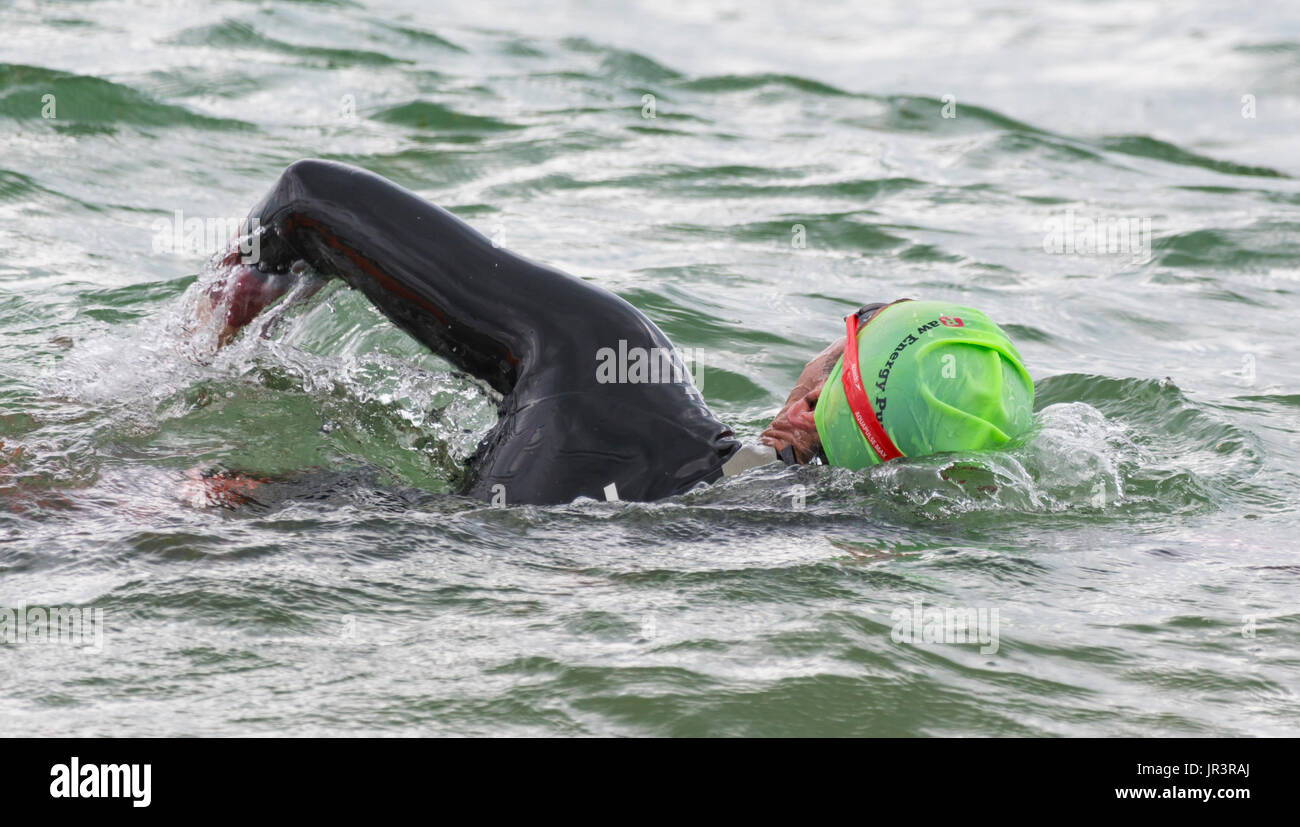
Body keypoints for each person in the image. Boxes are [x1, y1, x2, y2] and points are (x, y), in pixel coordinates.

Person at [198, 160, 1034, 506]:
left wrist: (201, 350)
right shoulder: (809, 544)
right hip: (409, 579)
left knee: (203, 489)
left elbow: (307, 200)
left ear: (825, 383)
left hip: (199, 532)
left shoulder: (612, 374)